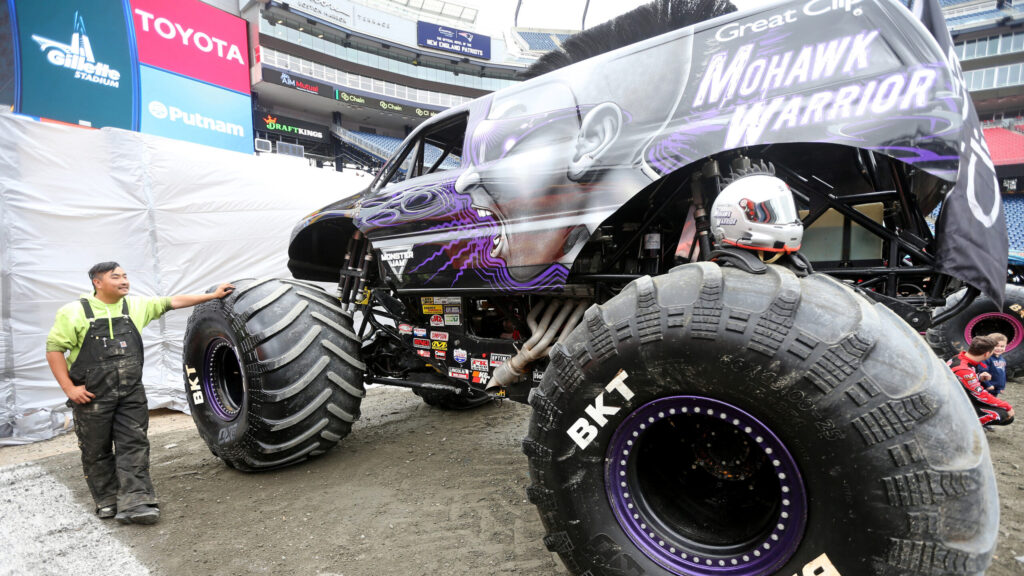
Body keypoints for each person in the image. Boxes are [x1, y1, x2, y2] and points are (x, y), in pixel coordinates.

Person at [45, 262, 234, 525]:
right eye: (116, 277)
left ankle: (137, 501)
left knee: (133, 444)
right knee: (95, 450)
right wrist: (69, 388)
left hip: (131, 393)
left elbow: (174, 301)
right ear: (97, 282)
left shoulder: (135, 306)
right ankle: (107, 500)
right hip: (92, 397)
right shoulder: (73, 312)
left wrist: (212, 296)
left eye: (125, 276)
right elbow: (54, 349)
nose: (124, 281)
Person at [947, 335, 1015, 429]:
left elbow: (963, 380)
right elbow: (980, 395)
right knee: (1003, 415)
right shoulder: (963, 369)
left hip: (955, 398)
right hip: (952, 405)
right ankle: (959, 426)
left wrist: (978, 377)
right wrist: (1007, 406)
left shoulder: (958, 357)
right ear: (987, 354)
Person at [977, 332, 1008, 398]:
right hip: (988, 388)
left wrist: (1001, 388)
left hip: (995, 388)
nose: (999, 348)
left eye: (1002, 346)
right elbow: (983, 372)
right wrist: (987, 385)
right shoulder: (986, 358)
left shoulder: (1002, 359)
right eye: (996, 346)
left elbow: (1002, 374)